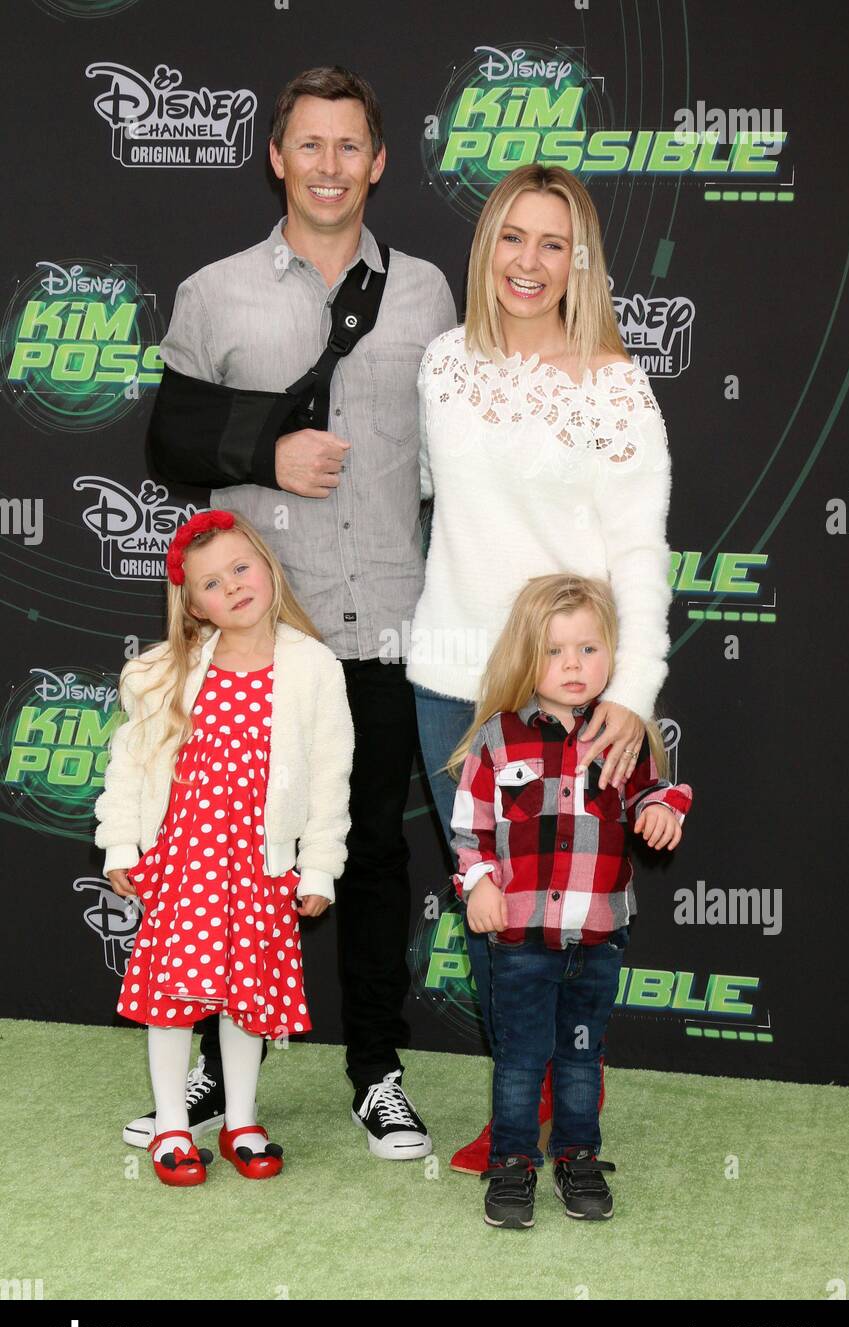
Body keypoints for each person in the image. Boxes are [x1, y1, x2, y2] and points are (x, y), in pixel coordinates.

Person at [125, 65, 457, 1160]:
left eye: (347, 146)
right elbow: (167, 443)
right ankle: (219, 1079)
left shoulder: (425, 292)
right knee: (225, 861)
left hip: (386, 625)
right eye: (307, 145)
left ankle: (377, 1071)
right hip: (254, 641)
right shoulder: (215, 290)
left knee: (365, 857)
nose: (327, 166)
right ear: (276, 156)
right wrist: (265, 452)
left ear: (377, 161)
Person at [409, 162, 674, 1172]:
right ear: (487, 250)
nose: (528, 261)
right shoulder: (440, 363)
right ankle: (513, 1103)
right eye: (511, 238)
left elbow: (641, 551)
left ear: (579, 260)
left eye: (551, 243)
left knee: (565, 921)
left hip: (565, 692)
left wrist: (632, 694)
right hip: (447, 678)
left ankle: (573, 1100)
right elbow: (437, 502)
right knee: (491, 911)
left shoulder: (611, 383)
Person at [95, 510, 354, 1185]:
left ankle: (241, 1118)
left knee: (247, 999)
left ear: (267, 565)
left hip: (261, 866)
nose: (233, 587)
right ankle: (173, 1127)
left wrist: (321, 864)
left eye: (241, 567)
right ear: (191, 601)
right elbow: (131, 766)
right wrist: (121, 842)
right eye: (212, 582)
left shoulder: (314, 667)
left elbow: (331, 776)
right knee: (173, 999)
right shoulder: (163, 672)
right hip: (186, 865)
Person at [446, 574, 692, 1227]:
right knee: (522, 1057)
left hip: (597, 934)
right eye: (555, 652)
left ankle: (578, 1158)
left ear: (613, 653)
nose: (574, 666)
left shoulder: (621, 733)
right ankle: (512, 1165)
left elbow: (650, 793)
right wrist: (480, 884)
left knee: (582, 1057)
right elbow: (470, 831)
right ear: (527, 657)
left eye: (589, 649)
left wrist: (663, 809)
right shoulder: (499, 738)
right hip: (522, 938)